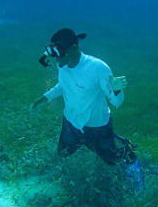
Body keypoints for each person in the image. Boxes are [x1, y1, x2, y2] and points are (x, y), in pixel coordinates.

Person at [31, 28, 144, 193]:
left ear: (74, 48)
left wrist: (117, 89)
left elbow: (116, 102)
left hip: (97, 126)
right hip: (71, 121)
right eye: (55, 54)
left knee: (113, 160)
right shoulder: (63, 64)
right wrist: (43, 99)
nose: (57, 60)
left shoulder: (98, 68)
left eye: (60, 54)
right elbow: (63, 85)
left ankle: (127, 151)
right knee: (63, 154)